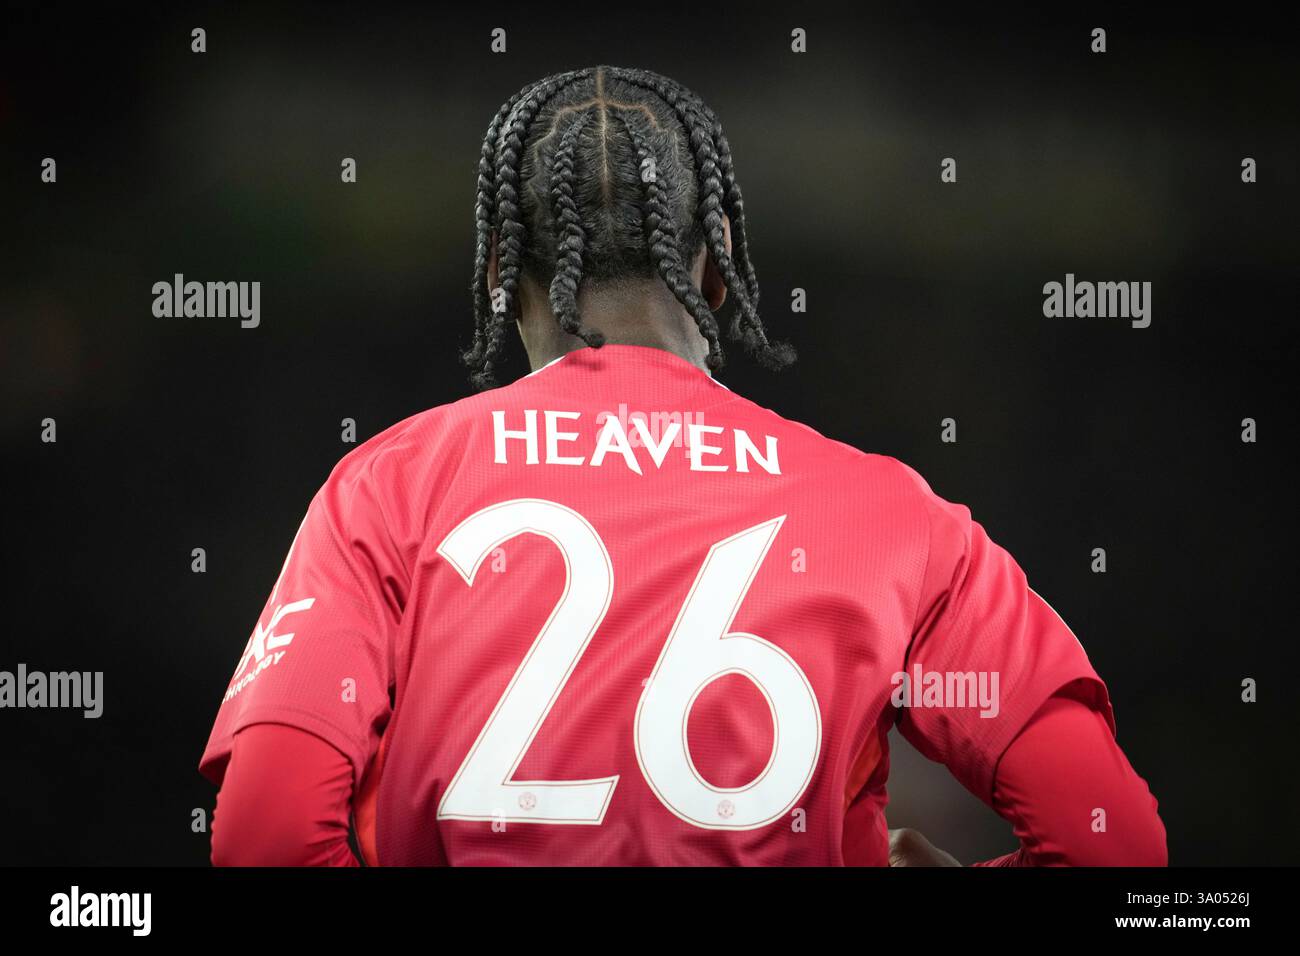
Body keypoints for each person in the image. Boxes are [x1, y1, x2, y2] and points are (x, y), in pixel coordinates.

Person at [199, 66, 1166, 867]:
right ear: (719, 262)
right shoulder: (895, 517)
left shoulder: (389, 488)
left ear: (498, 270)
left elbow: (265, 838)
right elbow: (1115, 844)